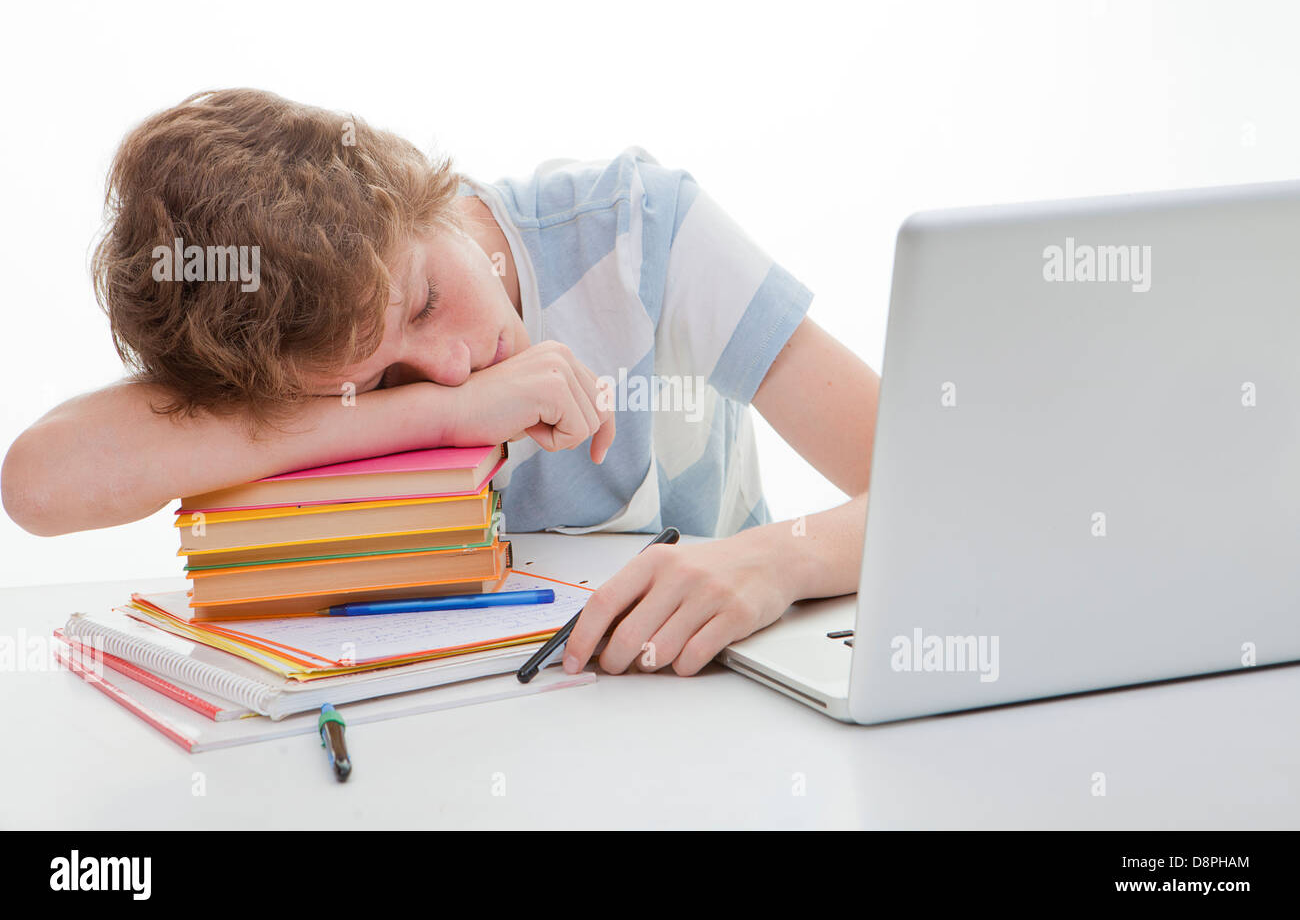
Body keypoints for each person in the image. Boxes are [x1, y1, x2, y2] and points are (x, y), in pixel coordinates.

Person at [1, 88, 880, 677]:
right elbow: (40, 483)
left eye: (424, 300)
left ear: (414, 193)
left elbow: (958, 480)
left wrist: (776, 560)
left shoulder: (639, 231)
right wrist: (444, 412)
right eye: (380, 377)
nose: (454, 363)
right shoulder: (292, 353)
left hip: (705, 707)